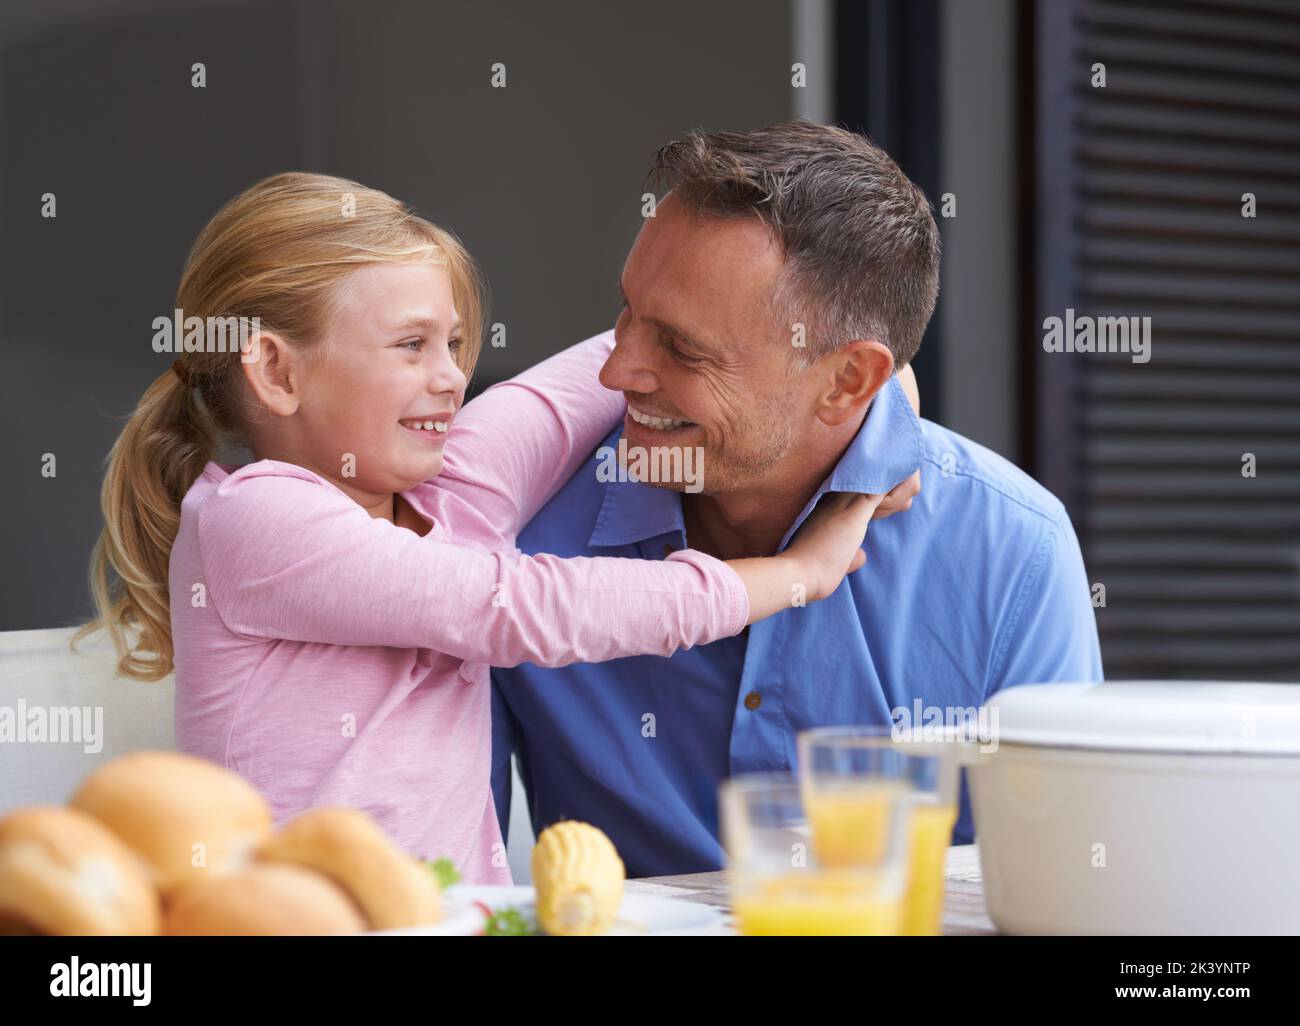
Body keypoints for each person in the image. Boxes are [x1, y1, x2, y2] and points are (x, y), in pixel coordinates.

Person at [73, 171, 918, 883]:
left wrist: (843, 375)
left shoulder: (451, 494)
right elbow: (518, 608)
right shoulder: (255, 520)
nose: (451, 378)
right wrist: (802, 571)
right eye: (410, 345)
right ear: (275, 371)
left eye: (455, 343)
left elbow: (617, 367)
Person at [491, 121, 1104, 877]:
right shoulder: (515, 526)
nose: (617, 373)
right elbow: (429, 889)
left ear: (848, 381)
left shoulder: (1013, 552)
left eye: (682, 348)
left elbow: (1056, 887)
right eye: (625, 315)